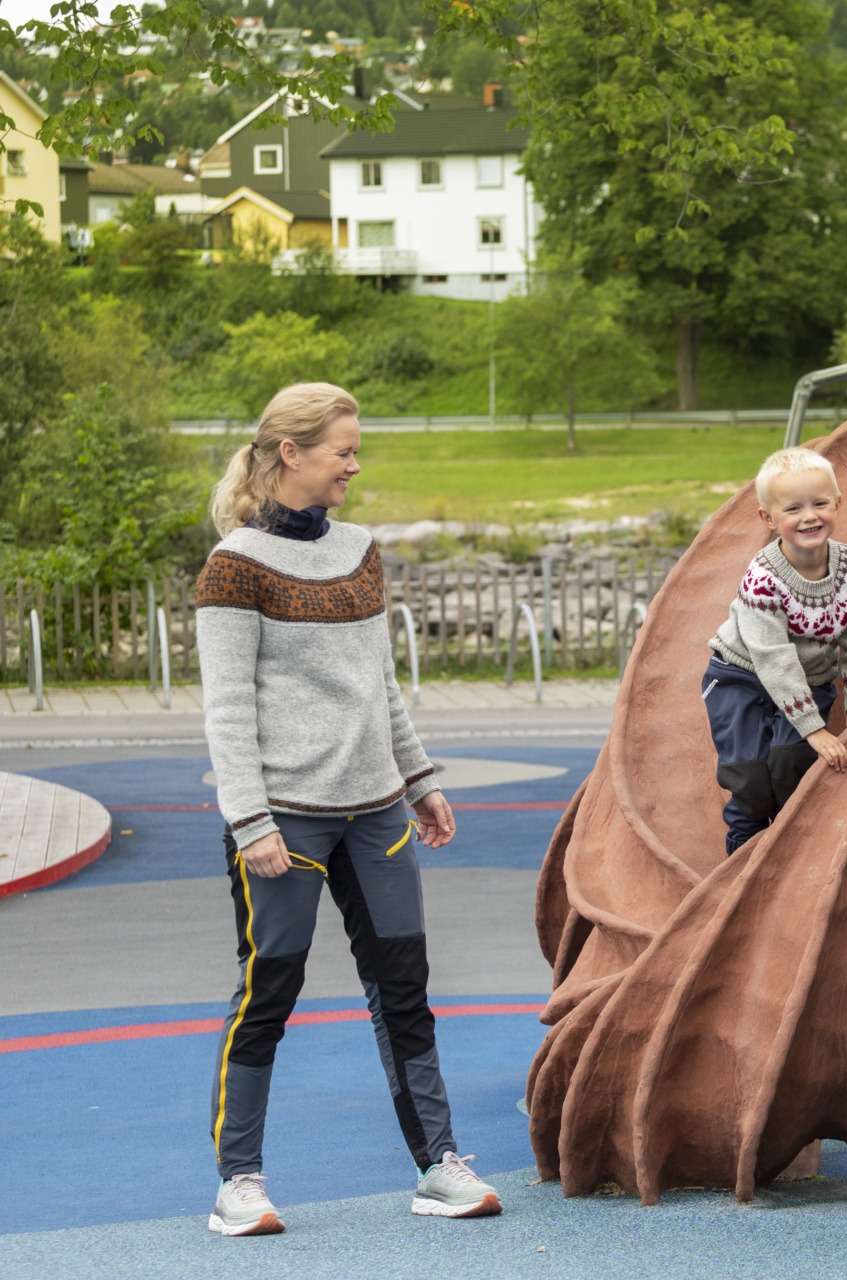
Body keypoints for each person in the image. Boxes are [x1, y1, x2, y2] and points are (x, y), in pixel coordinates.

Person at [197, 383, 500, 1236]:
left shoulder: (361, 550)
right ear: (291, 453)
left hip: (377, 812)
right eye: (343, 450)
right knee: (270, 989)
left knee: (405, 988)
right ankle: (239, 1181)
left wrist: (422, 778)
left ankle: (439, 1164)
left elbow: (381, 685)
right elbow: (226, 707)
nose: (355, 464)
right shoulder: (234, 564)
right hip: (285, 819)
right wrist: (250, 821)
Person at [704, 447, 847, 854]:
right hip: (742, 675)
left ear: (837, 504)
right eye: (793, 508)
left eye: (820, 503)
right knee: (749, 776)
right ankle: (742, 858)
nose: (809, 516)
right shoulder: (763, 577)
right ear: (768, 518)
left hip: (810, 677)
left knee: (791, 765)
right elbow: (773, 657)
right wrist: (814, 727)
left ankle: (790, 854)